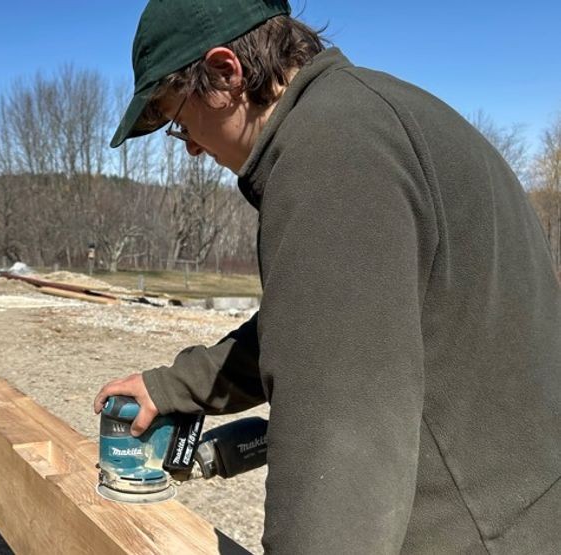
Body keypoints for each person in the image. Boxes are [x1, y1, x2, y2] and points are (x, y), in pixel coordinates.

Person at [93, 1, 561, 552]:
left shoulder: (333, 153)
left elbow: (341, 447)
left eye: (179, 122)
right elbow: (319, 320)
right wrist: (171, 387)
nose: (191, 146)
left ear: (225, 74)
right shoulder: (378, 112)